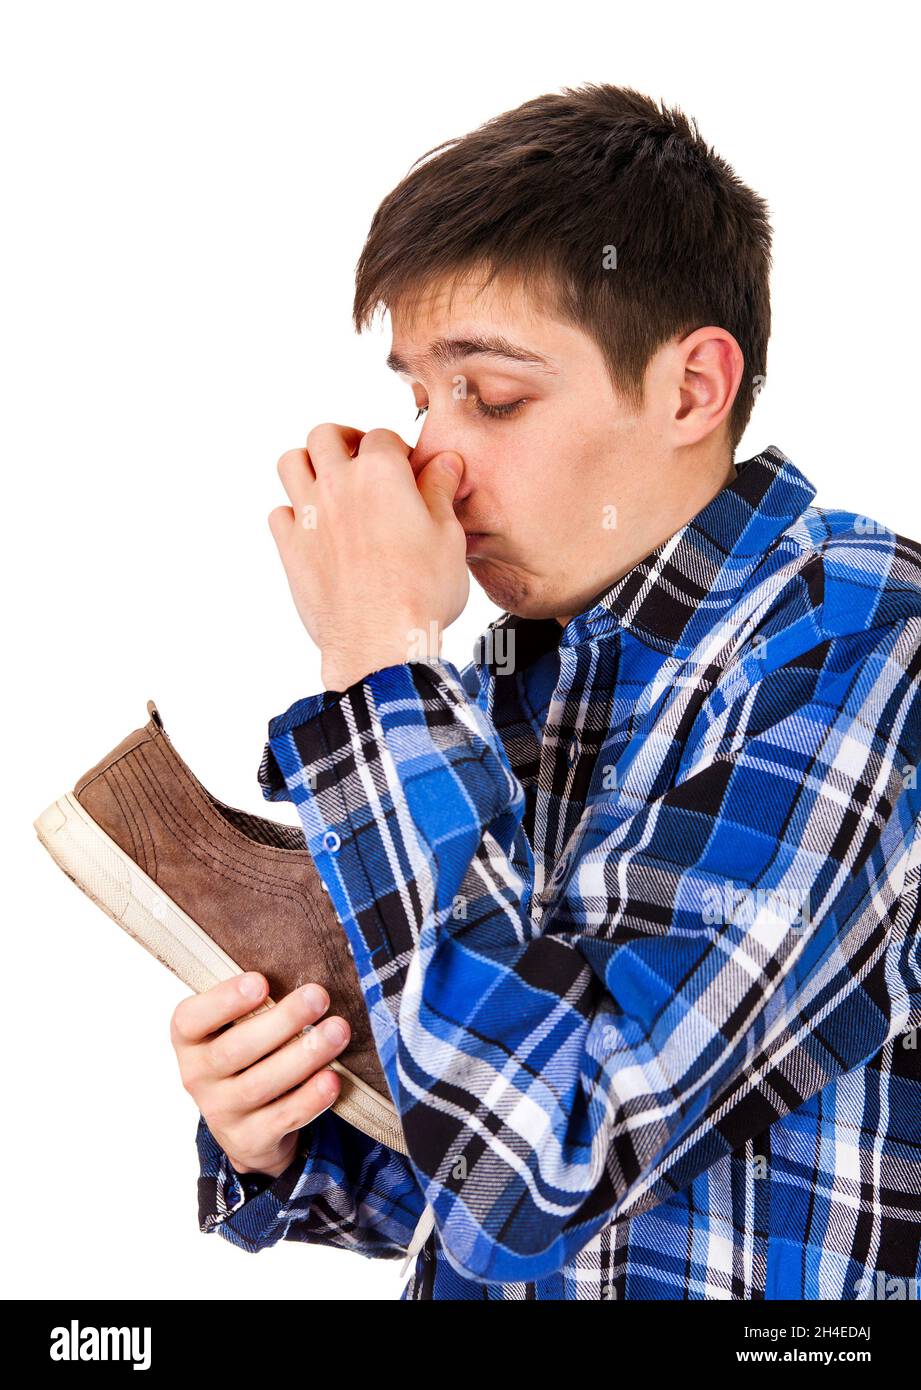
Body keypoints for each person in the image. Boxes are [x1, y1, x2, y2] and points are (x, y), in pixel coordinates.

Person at [172, 83, 921, 1300]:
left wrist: (376, 660)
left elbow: (532, 1166)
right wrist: (284, 1117)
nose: (432, 457)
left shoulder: (865, 647)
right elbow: (471, 1168)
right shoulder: (526, 674)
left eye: (493, 394)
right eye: (420, 394)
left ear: (692, 389)